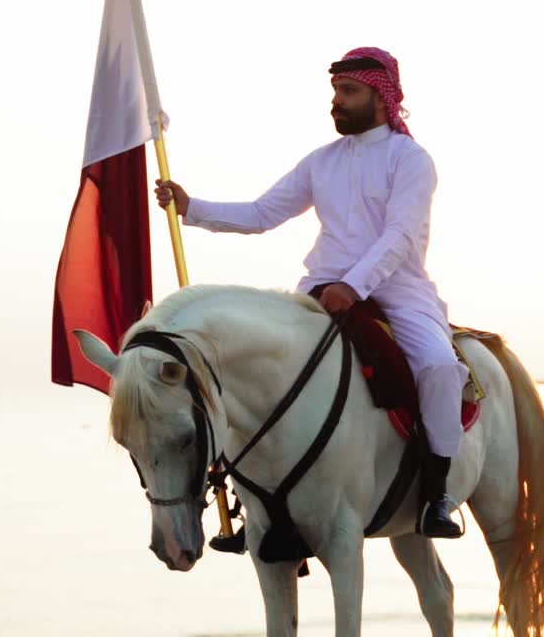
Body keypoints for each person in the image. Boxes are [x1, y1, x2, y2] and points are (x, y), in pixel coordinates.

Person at [153, 47, 465, 538]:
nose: (336, 101)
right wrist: (193, 208)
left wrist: (353, 285)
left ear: (381, 98)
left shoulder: (411, 160)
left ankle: (437, 495)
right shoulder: (321, 162)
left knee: (439, 366)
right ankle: (262, 507)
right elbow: (262, 214)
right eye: (335, 91)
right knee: (263, 370)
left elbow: (400, 236)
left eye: (349, 92)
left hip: (399, 291)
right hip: (321, 289)